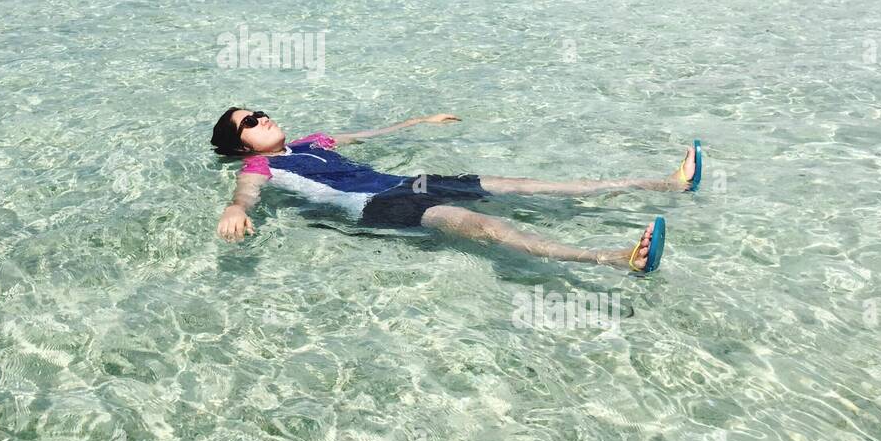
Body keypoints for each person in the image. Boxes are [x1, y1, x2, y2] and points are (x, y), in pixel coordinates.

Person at [211, 108, 702, 273]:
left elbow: (376, 134)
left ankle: (663, 183)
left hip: (407, 183)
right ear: (240, 147)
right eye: (249, 122)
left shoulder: (312, 141)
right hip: (378, 205)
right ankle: (615, 259)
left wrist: (423, 120)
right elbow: (246, 194)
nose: (262, 118)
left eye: (259, 111)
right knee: (479, 226)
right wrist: (236, 210)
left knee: (521, 186)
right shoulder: (256, 167)